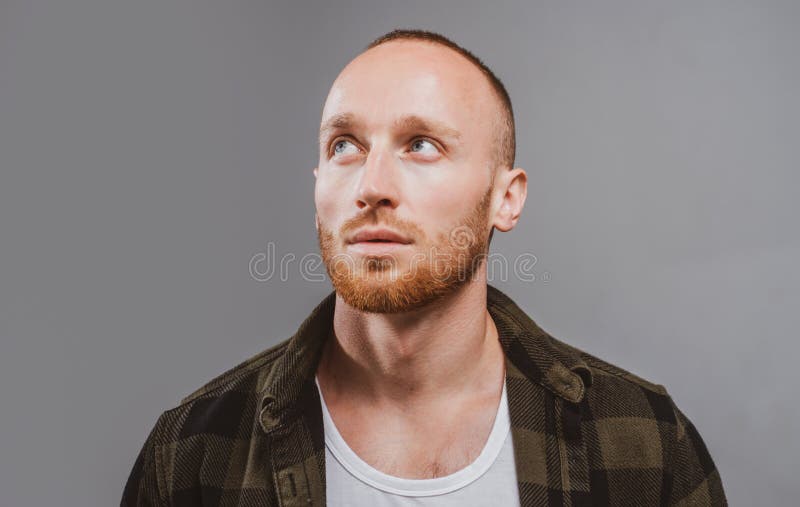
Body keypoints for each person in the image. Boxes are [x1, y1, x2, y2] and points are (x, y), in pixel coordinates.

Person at [121, 29, 727, 506]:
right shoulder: (192, 454)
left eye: (421, 145)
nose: (371, 185)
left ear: (505, 198)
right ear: (317, 184)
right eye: (344, 146)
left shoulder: (644, 443)